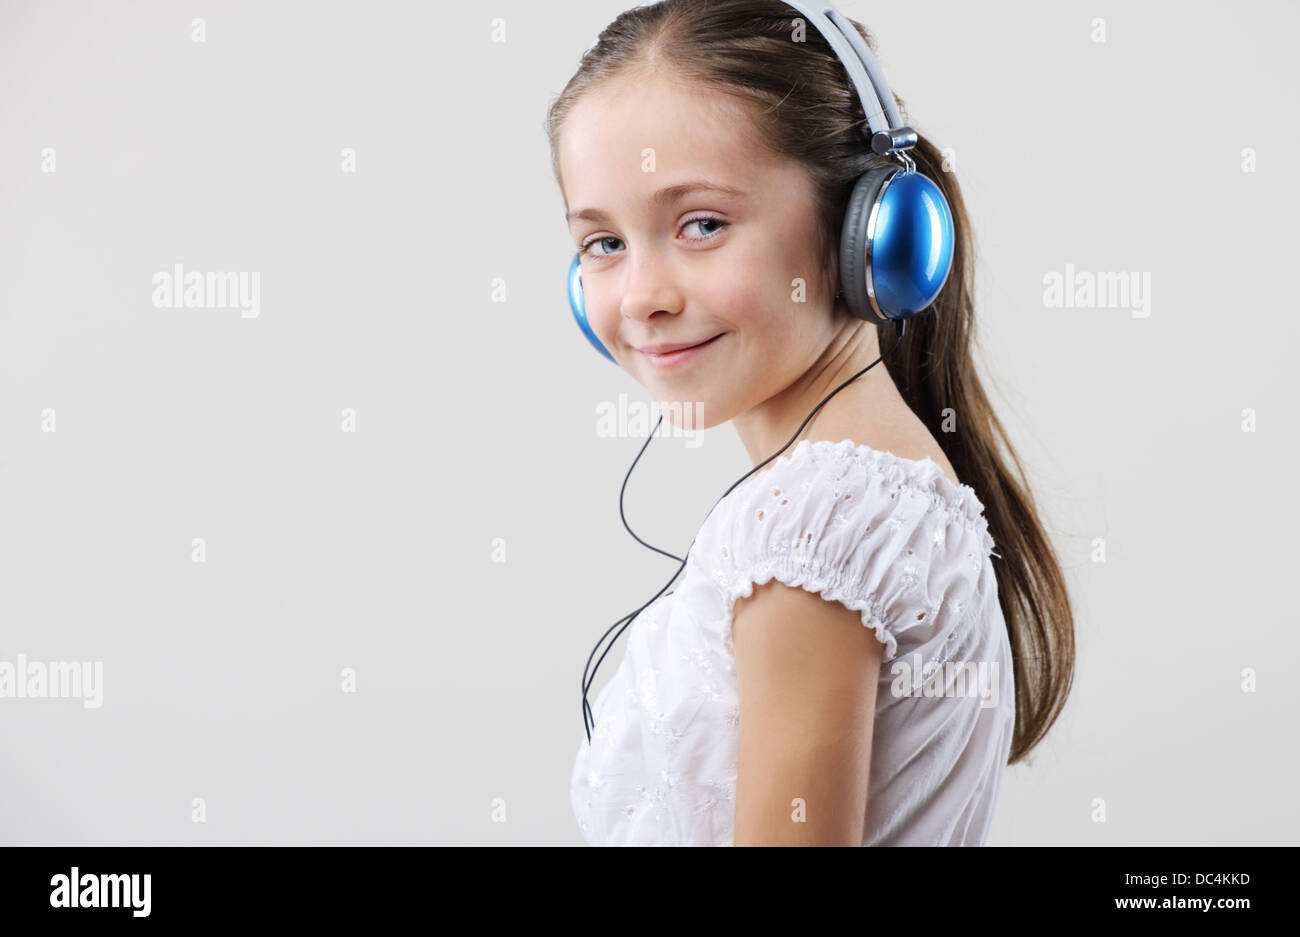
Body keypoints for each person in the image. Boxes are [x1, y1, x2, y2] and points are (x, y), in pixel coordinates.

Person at [546, 0, 1075, 846]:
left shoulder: (813, 529)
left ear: (867, 233)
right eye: (603, 244)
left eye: (702, 224)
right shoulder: (876, 491)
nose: (642, 296)